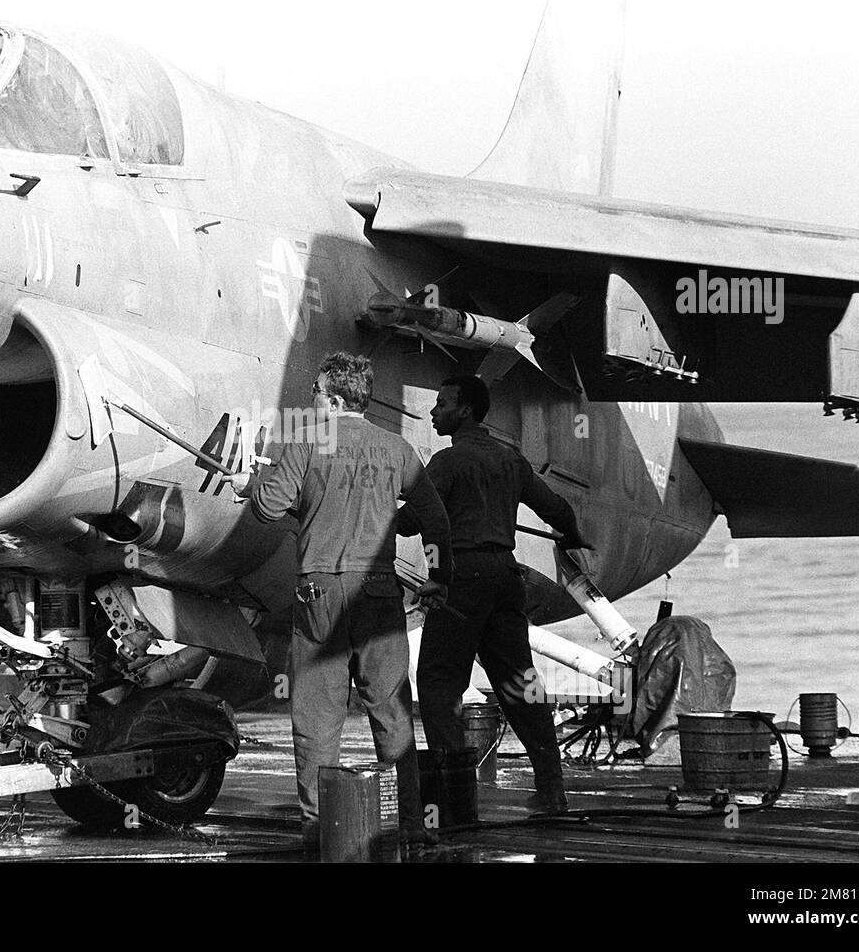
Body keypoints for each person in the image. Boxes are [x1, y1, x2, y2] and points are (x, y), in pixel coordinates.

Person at [231, 352, 453, 848]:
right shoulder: (397, 449)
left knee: (315, 720)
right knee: (392, 714)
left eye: (314, 389)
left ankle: (319, 832)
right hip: (379, 595)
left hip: (319, 595)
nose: (308, 397)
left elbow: (268, 510)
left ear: (332, 399)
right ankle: (410, 828)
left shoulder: (307, 441)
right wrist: (438, 576)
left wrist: (252, 485)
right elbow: (435, 520)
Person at [403, 375, 592, 814]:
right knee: (520, 682)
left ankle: (455, 796)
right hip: (507, 578)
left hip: (462, 579)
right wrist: (573, 536)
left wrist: (368, 517)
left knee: (438, 681)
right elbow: (558, 510)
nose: (433, 412)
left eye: (442, 404)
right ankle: (552, 790)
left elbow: (413, 522)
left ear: (465, 410)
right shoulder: (512, 461)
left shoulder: (447, 462)